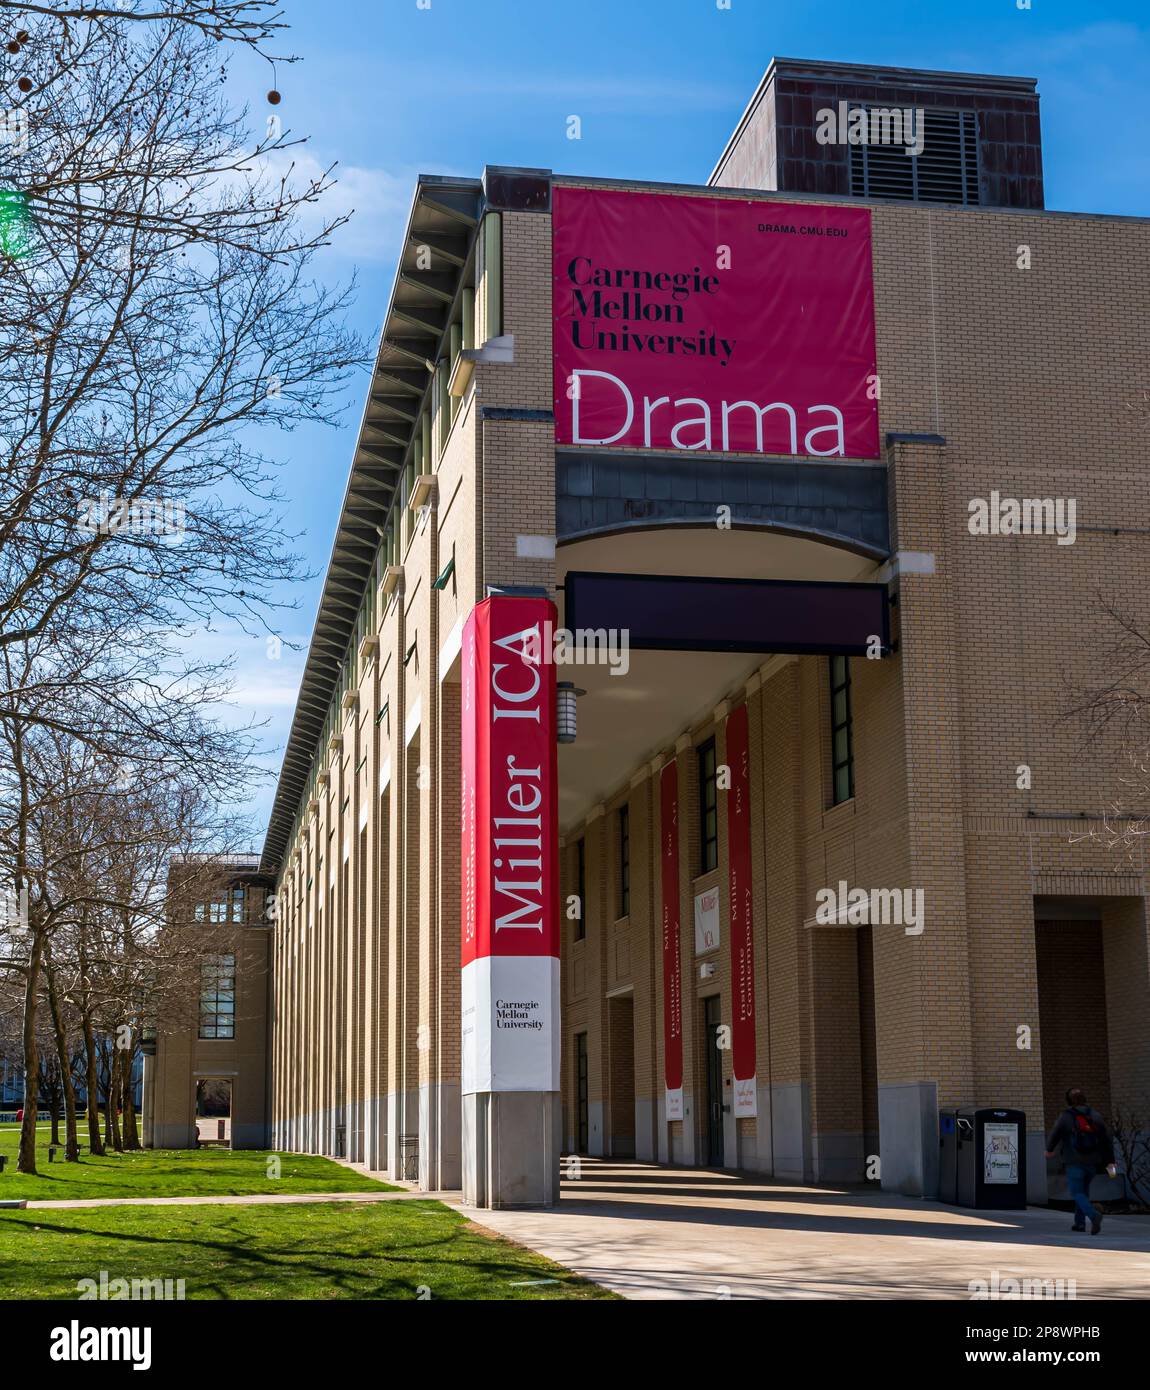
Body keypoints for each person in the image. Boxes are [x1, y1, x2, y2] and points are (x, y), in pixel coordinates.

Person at [1045, 1087, 1117, 1234]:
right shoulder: (1095, 1115)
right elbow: (1106, 1139)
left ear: (1068, 1101)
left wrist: (1049, 1149)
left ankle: (1093, 1215)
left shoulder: (1066, 1116)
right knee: (1083, 1192)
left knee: (1076, 1192)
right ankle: (1079, 1224)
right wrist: (1110, 1161)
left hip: (1074, 1161)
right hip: (1092, 1162)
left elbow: (1055, 1133)